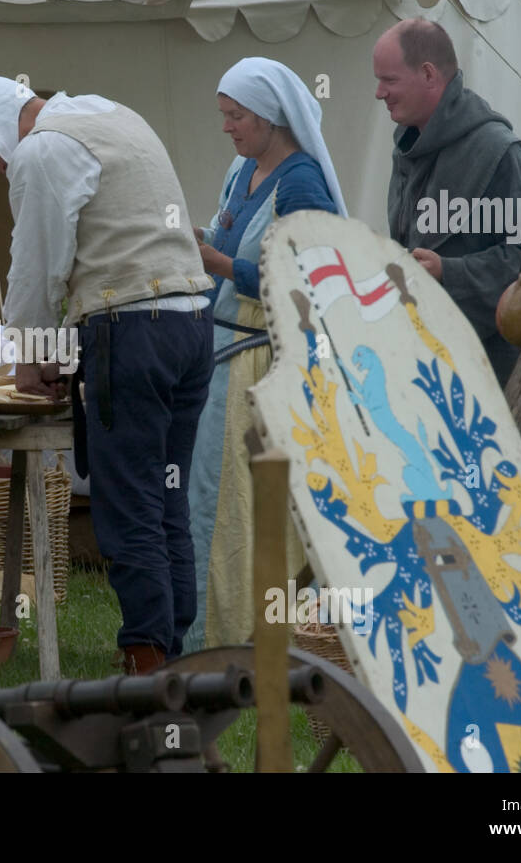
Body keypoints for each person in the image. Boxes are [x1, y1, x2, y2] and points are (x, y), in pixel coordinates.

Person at [0, 77, 214, 674]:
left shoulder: (42, 150)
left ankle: (146, 664)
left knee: (127, 507)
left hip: (135, 330)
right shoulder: (115, 111)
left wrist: (29, 356)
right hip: (192, 321)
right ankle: (173, 655)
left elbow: (38, 267)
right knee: (166, 497)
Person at [182, 58, 346, 651]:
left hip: (262, 360)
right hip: (225, 353)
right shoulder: (243, 170)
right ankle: (212, 633)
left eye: (237, 116)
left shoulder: (299, 182)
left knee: (238, 504)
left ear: (272, 118)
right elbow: (227, 234)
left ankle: (250, 638)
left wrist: (223, 266)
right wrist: (197, 241)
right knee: (213, 498)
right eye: (225, 115)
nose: (227, 127)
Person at [373, 18, 521, 387]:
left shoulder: (497, 152)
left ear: (428, 74)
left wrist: (448, 271)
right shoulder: (408, 149)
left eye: (389, 80)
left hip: (490, 377)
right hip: (424, 368)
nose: (379, 92)